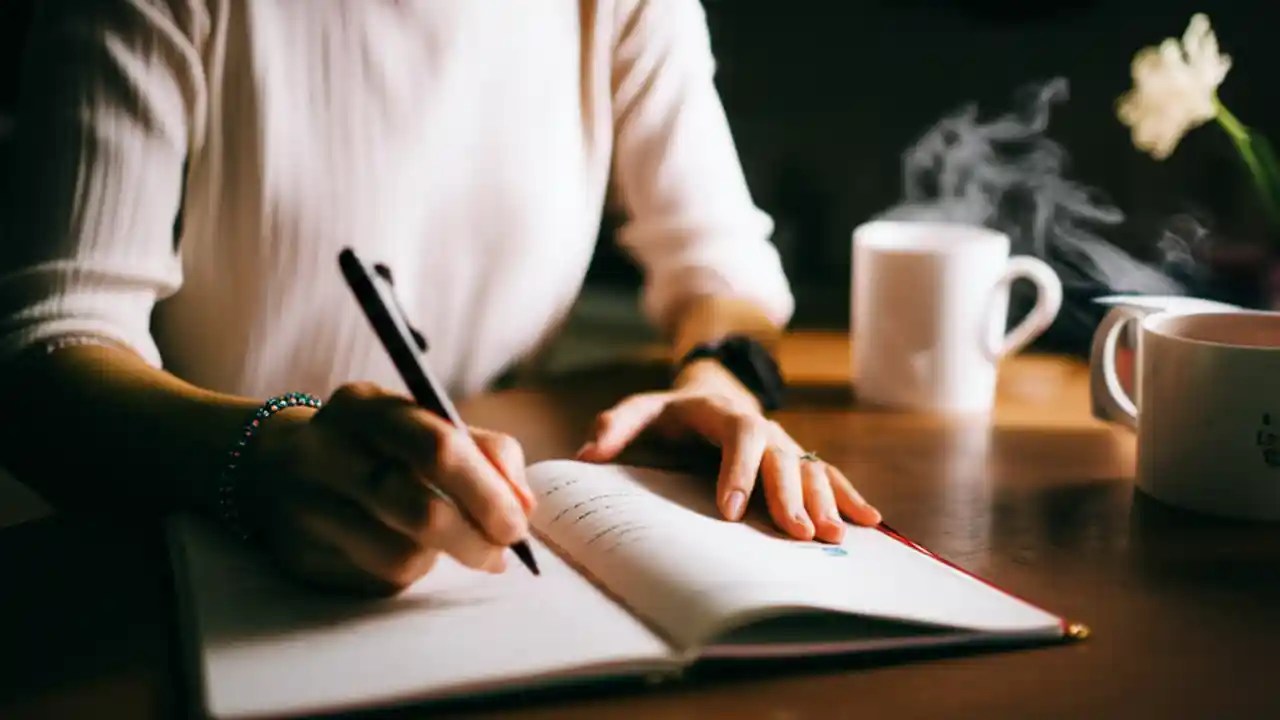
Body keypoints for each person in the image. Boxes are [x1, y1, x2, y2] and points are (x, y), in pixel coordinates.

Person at [0, 0, 880, 594]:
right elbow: (46, 351)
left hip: (478, 538)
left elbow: (720, 264)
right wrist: (260, 459)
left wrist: (718, 383)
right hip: (169, 560)